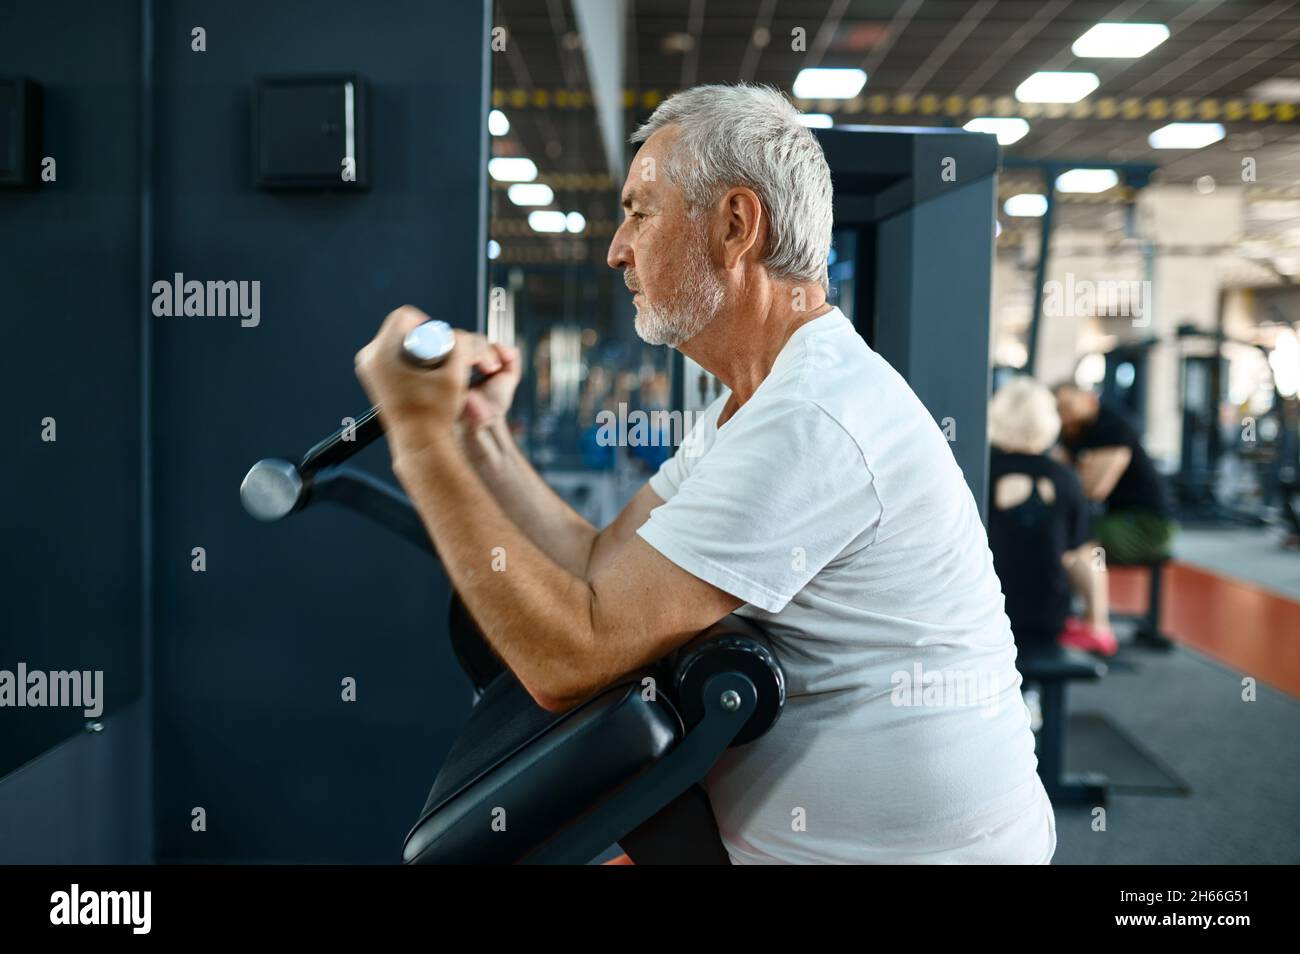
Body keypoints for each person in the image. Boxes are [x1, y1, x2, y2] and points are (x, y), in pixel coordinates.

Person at [355, 84, 1054, 864]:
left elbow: (569, 657)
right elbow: (598, 565)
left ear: (734, 225)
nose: (618, 248)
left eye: (639, 212)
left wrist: (419, 439)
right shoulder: (757, 405)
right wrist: (480, 437)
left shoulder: (814, 417)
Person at [987, 377, 1116, 658]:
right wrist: (1098, 621)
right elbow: (1087, 555)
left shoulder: (982, 473)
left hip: (987, 613)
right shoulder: (1065, 478)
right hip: (1046, 617)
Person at [1054, 382, 1177, 564]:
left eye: (1066, 406)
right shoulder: (1071, 431)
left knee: (1083, 537)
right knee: (1062, 531)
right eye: (1058, 409)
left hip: (1149, 526)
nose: (1062, 414)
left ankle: (1096, 591)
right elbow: (1059, 476)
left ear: (1089, 400)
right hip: (1115, 518)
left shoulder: (1114, 428)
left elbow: (1095, 490)